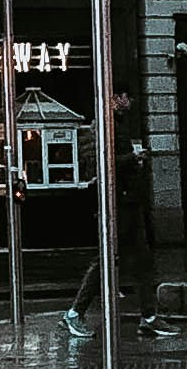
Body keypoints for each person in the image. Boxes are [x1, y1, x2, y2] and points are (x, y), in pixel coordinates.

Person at [64, 94, 168, 345]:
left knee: (140, 260)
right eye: (124, 97)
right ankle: (75, 311)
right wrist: (135, 158)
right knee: (108, 258)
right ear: (113, 98)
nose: (129, 102)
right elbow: (105, 162)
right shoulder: (105, 125)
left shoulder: (115, 124)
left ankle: (149, 315)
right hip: (118, 201)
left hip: (127, 200)